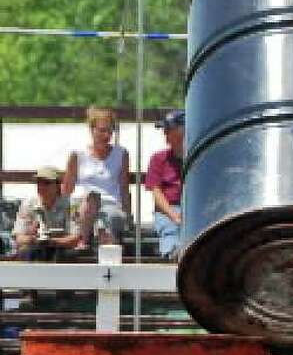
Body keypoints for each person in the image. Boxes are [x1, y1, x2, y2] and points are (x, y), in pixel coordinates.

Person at [62, 105, 130, 248]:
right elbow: (67, 188)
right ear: (92, 129)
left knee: (106, 219)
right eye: (102, 130)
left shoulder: (121, 154)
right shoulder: (77, 154)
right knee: (91, 199)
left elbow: (124, 188)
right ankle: (84, 240)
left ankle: (87, 242)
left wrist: (128, 214)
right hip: (82, 205)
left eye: (110, 130)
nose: (107, 135)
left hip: (110, 204)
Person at [12, 166, 83, 261]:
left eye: (46, 183)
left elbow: (75, 238)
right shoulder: (28, 204)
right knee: (25, 252)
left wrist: (51, 242)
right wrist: (32, 239)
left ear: (58, 185)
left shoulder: (71, 205)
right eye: (39, 182)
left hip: (62, 248)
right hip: (35, 247)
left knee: (67, 255)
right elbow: (19, 237)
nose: (41, 186)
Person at [145, 110, 185, 260]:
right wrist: (173, 215)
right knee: (169, 228)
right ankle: (173, 253)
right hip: (168, 208)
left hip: (195, 209)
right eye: (165, 130)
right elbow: (156, 192)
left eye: (169, 130)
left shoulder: (199, 156)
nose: (165, 134)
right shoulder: (158, 159)